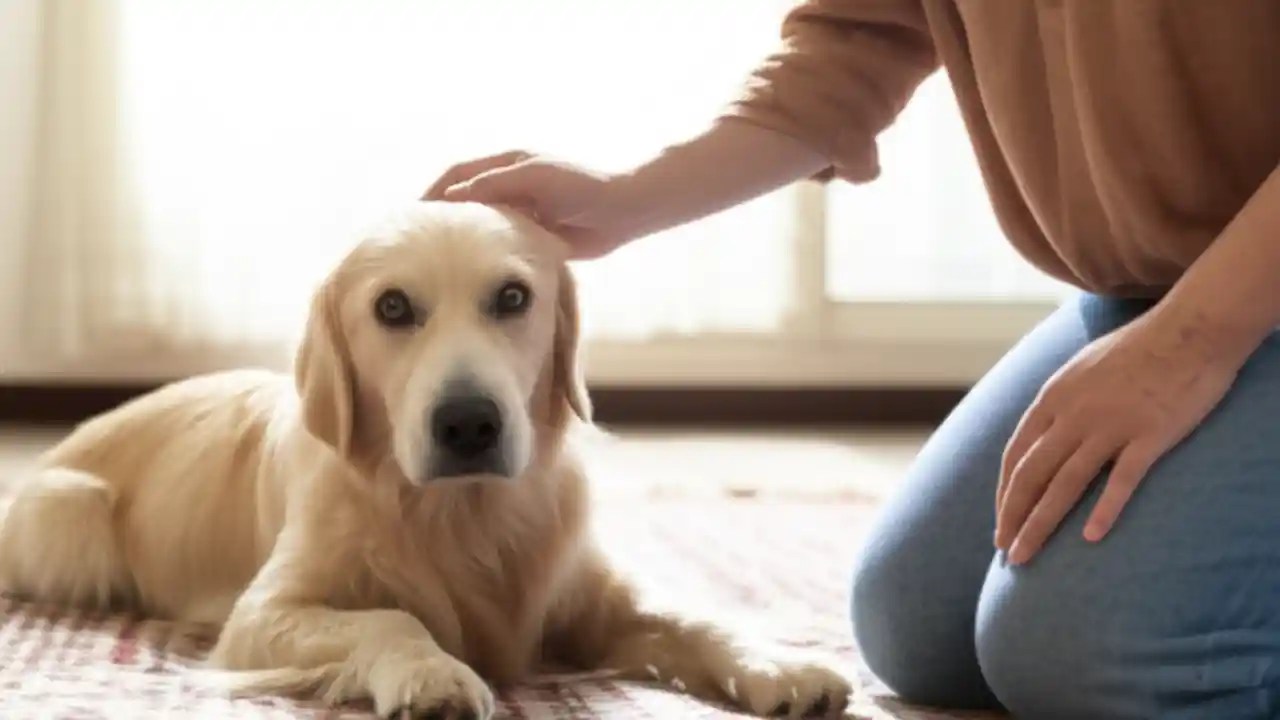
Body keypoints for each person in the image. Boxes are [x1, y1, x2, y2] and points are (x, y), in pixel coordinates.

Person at [424, 2, 1280, 718]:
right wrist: (622, 202)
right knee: (914, 624)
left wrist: (1192, 344)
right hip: (1151, 287)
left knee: (1082, 652)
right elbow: (853, 39)